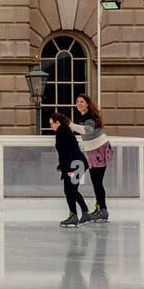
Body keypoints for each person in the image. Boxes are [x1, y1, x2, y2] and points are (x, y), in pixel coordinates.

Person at [70, 94, 112, 222]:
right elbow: (85, 136)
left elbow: (87, 131)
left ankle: (103, 209)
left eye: (82, 101)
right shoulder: (83, 117)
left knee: (97, 181)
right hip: (93, 151)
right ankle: (100, 208)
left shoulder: (90, 116)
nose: (79, 104)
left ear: (87, 103)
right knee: (96, 181)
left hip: (99, 149)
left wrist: (70, 125)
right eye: (77, 102)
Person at [48, 109, 91, 227]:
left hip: (76, 164)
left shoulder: (62, 133)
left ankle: (74, 215)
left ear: (58, 123)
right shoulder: (65, 132)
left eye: (52, 124)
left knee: (69, 190)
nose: (51, 126)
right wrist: (62, 166)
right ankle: (84, 213)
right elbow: (67, 152)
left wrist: (68, 170)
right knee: (72, 189)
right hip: (77, 164)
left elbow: (67, 153)